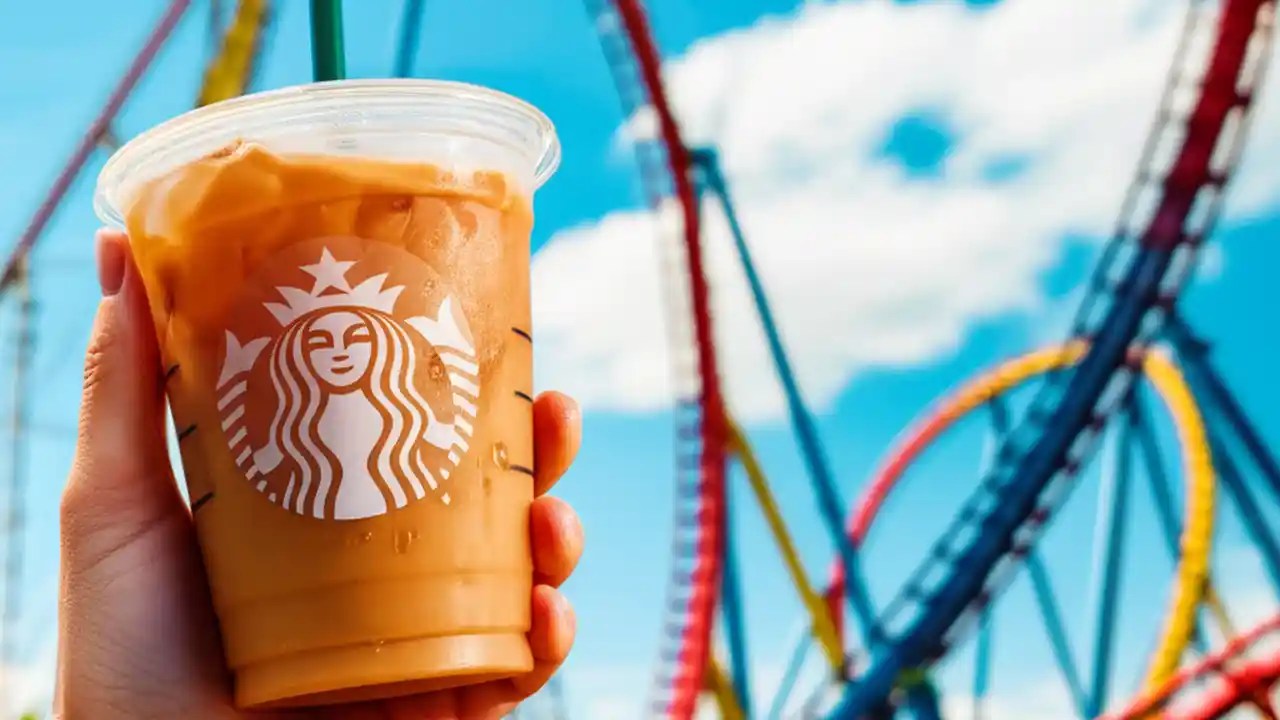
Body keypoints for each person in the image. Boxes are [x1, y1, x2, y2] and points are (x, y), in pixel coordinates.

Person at [55, 230, 584, 719]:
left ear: (385, 343)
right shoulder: (286, 437)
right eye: (318, 342)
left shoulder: (411, 426)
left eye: (355, 336)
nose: (338, 352)